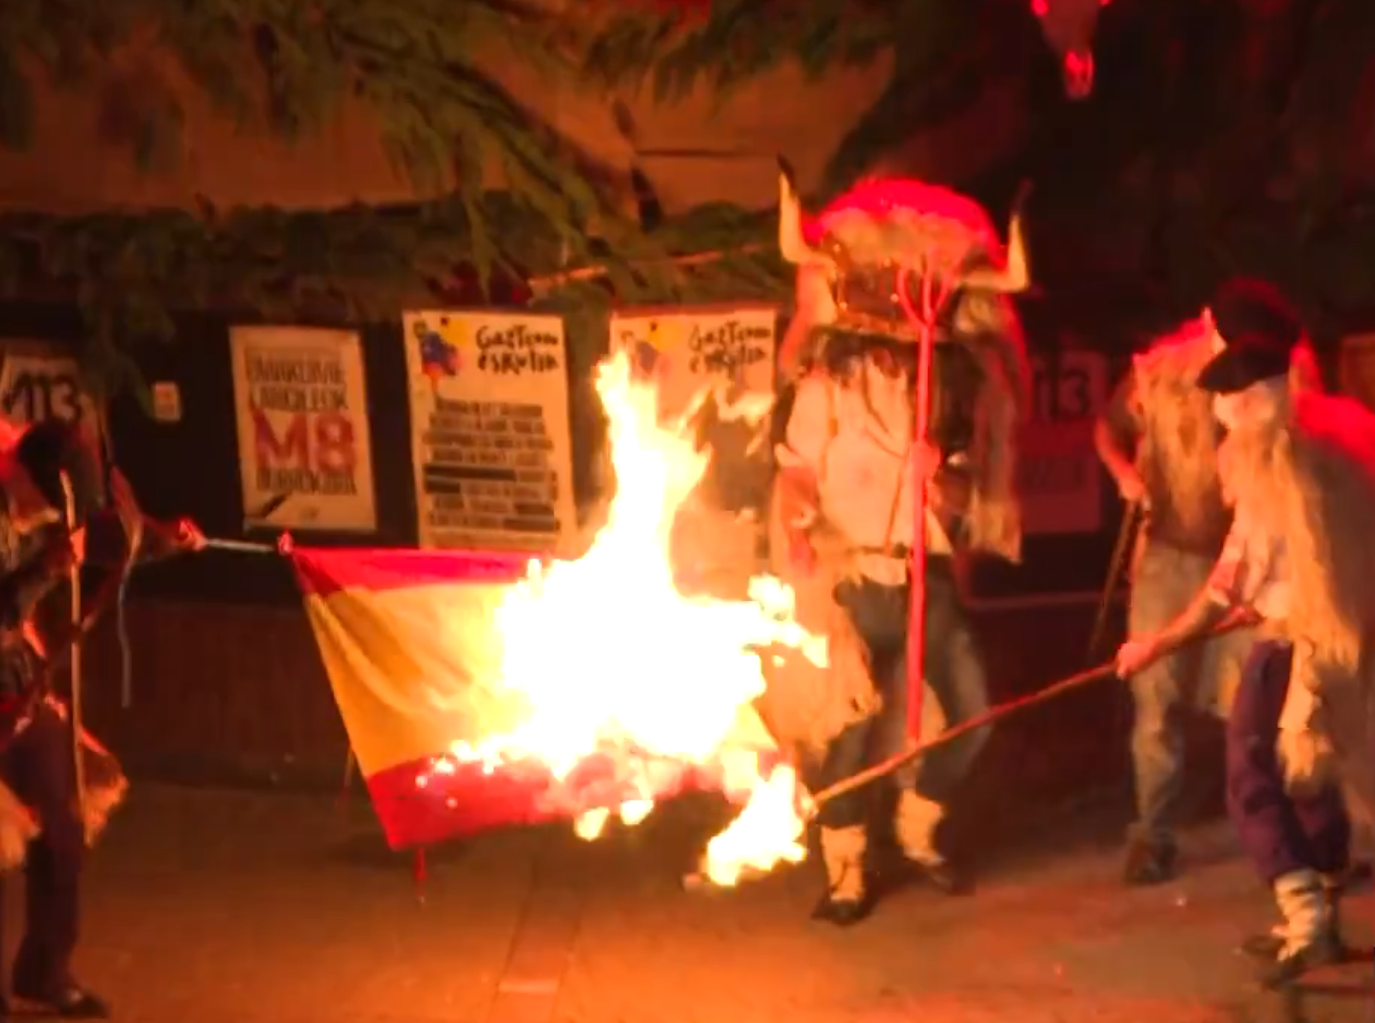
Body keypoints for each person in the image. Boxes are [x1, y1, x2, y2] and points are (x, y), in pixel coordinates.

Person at [761, 167, 1030, 925]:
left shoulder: (944, 400)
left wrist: (936, 477)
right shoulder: (823, 391)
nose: (888, 343)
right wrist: (797, 527)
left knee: (973, 711)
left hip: (926, 583)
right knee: (848, 733)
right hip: (852, 588)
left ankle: (919, 828)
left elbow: (967, 501)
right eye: (876, 329)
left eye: (902, 332)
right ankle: (845, 870)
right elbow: (793, 475)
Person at [1115, 285, 1374, 986]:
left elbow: (1218, 595)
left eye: (1225, 398)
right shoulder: (1340, 440)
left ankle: (1304, 918)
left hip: (1288, 649)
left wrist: (1151, 645)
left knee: (1251, 772)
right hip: (1342, 646)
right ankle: (1319, 915)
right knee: (1310, 773)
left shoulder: (1266, 470)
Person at [1093, 281, 1321, 886]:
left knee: (1255, 712)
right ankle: (1153, 833)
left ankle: (1288, 840)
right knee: (1156, 701)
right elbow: (1107, 430)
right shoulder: (1160, 379)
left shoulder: (1275, 389)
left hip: (1248, 564)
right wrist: (1126, 477)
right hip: (1172, 555)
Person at [0, 419, 204, 1018]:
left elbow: (110, 547)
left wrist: (164, 541)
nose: (52, 516)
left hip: (17, 686)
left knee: (63, 825)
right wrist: (41, 572)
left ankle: (45, 971)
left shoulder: (49, 507)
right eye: (45, 501)